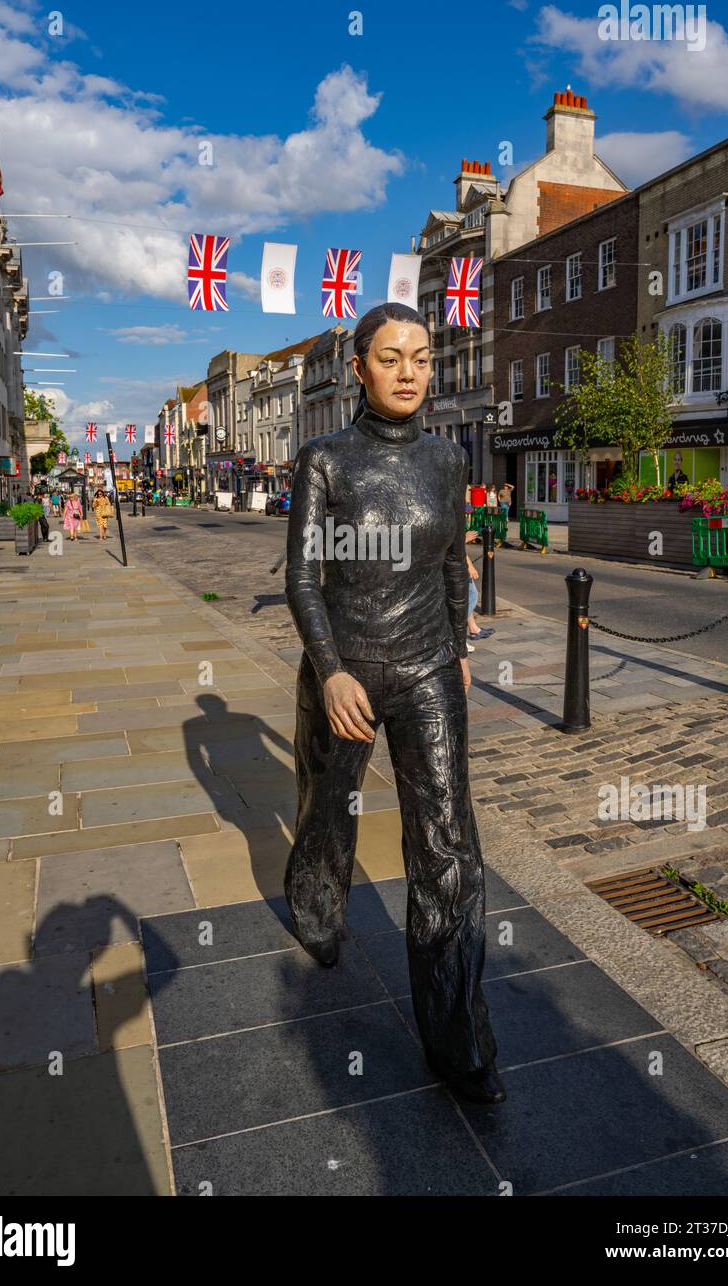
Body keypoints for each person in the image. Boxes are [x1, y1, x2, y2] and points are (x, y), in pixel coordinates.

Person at [285, 301, 504, 1105]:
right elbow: (303, 578)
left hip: (425, 670)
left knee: (447, 844)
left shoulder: (447, 460)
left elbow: (453, 562)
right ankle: (316, 910)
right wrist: (331, 671)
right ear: (360, 370)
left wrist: (460, 646)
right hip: (342, 669)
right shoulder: (324, 459)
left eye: (421, 357)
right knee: (326, 810)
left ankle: (459, 1042)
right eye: (391, 357)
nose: (410, 371)